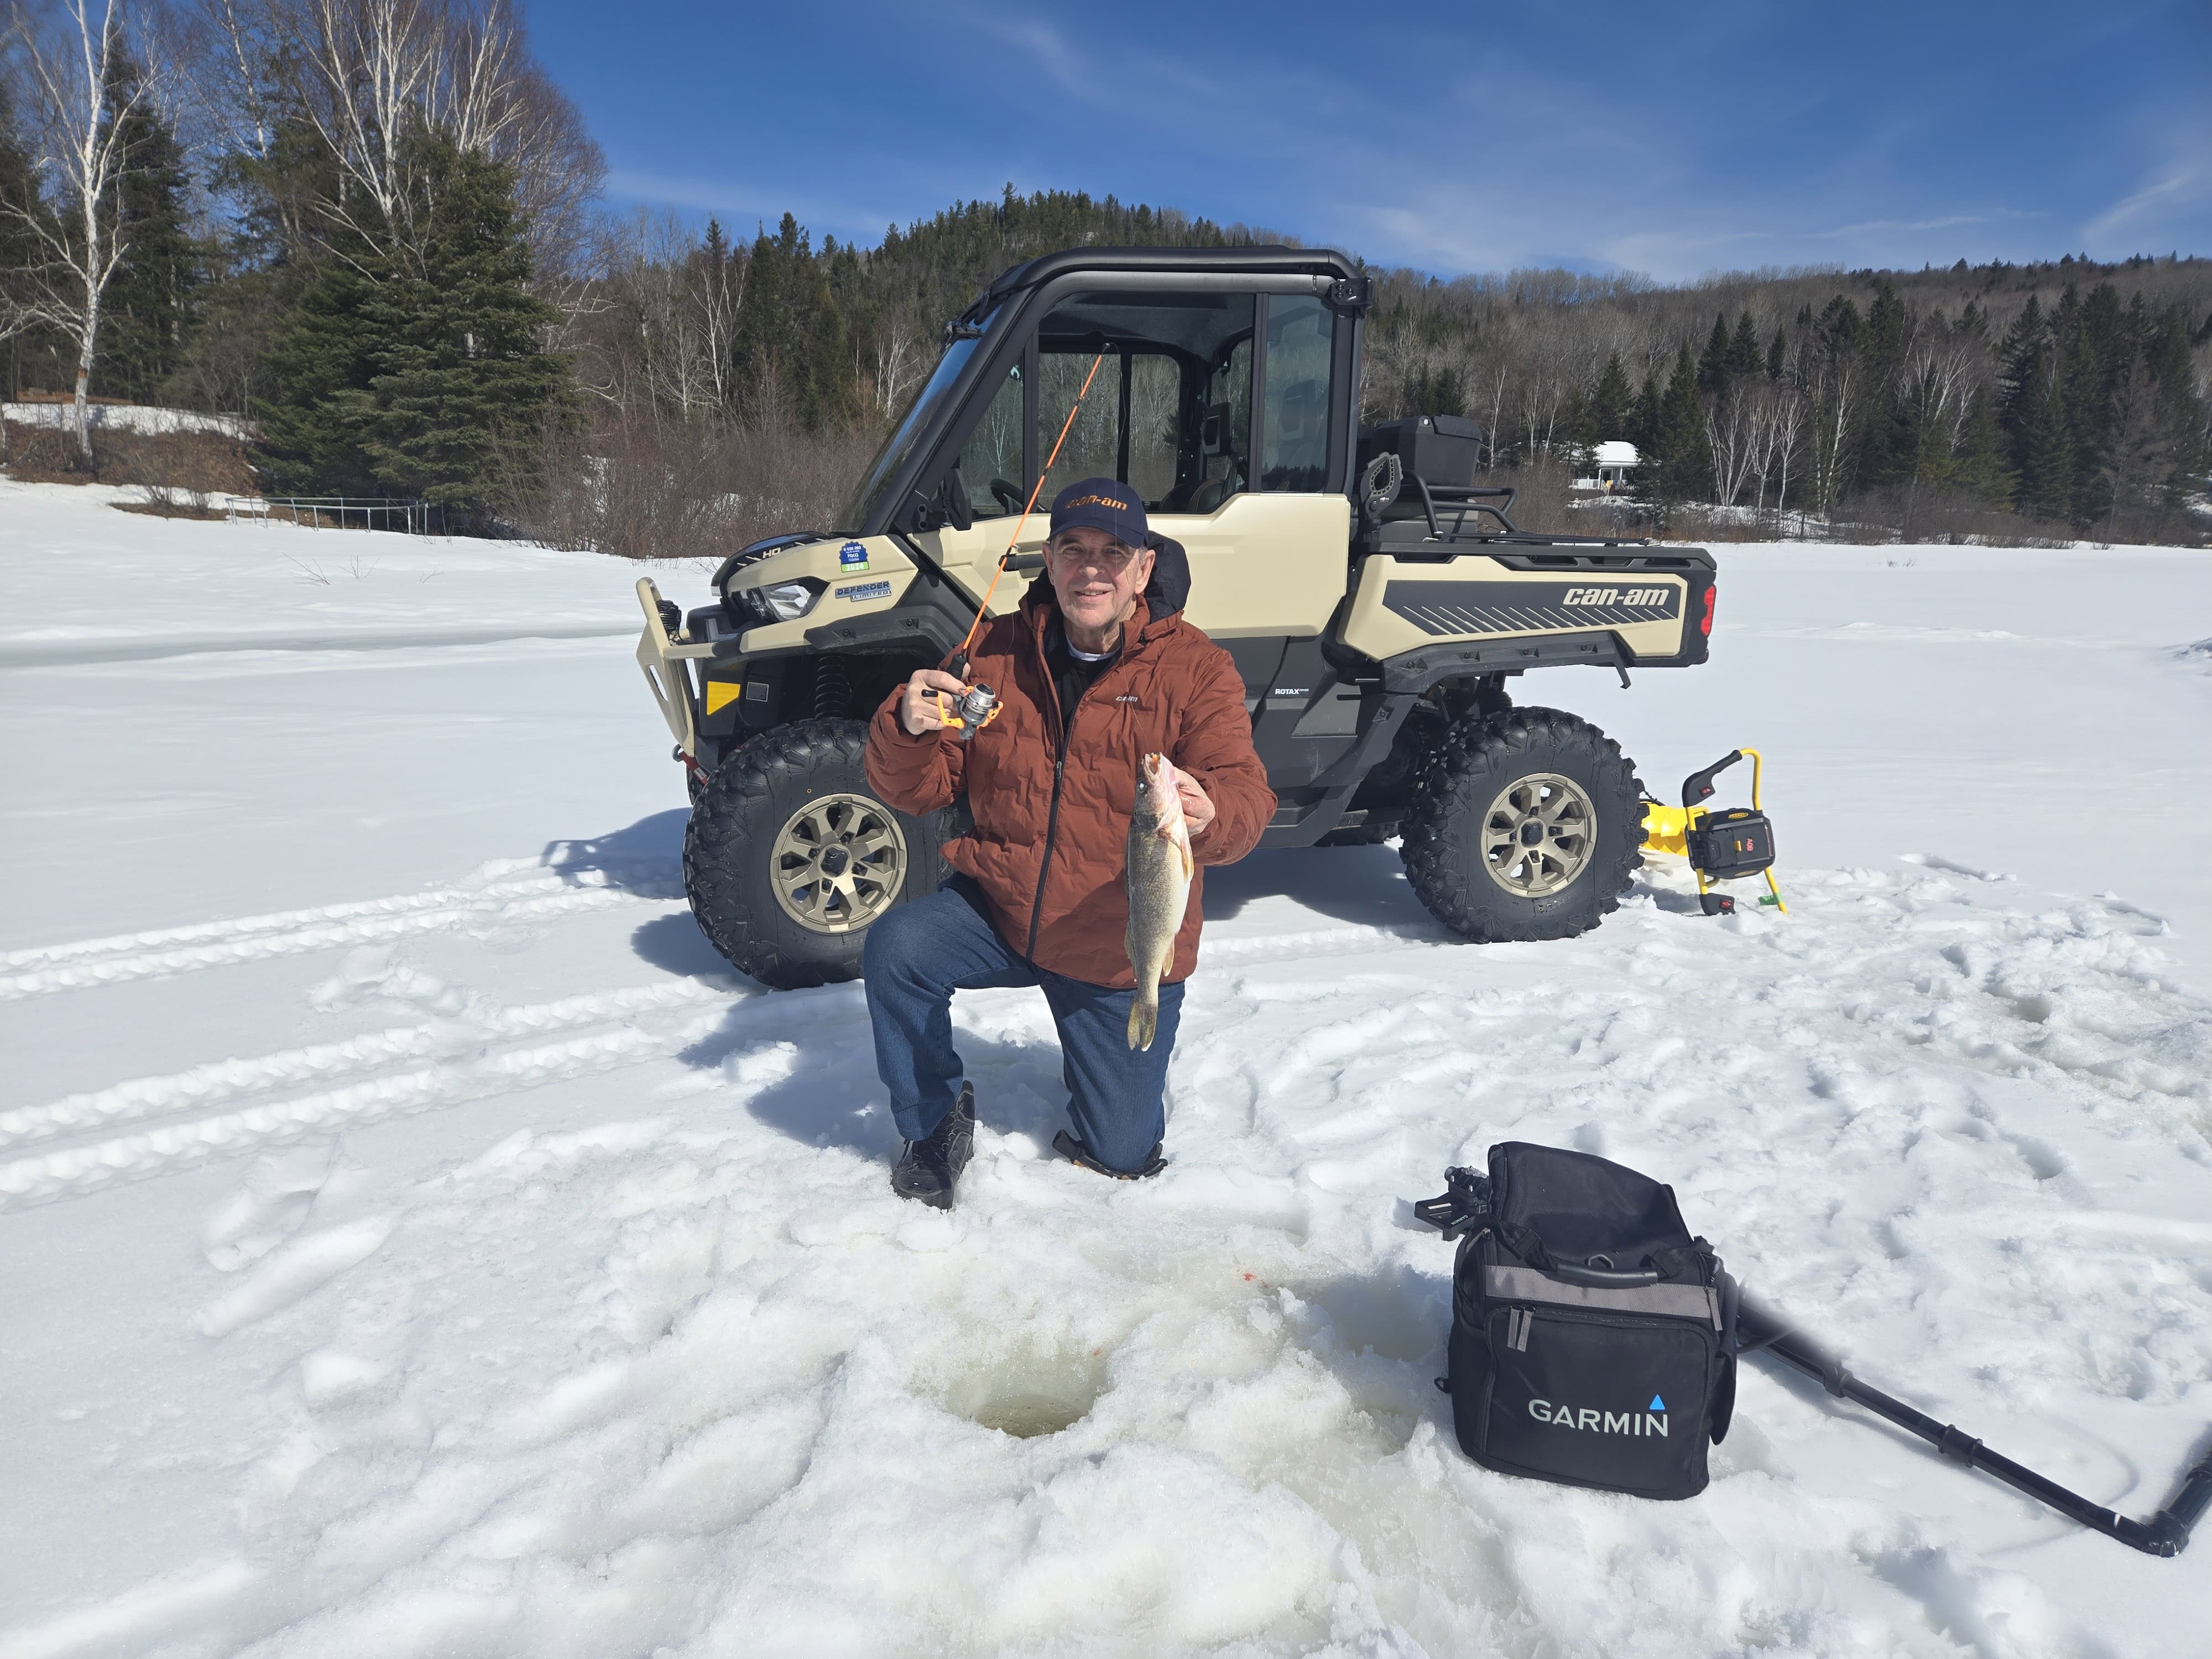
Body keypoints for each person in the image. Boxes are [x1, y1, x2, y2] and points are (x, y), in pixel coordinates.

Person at [861, 477, 1275, 1207]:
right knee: (899, 948)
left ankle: (1113, 1095)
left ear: (1143, 569)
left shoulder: (1198, 669)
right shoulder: (990, 654)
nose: (1092, 570)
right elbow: (920, 790)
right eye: (1074, 549)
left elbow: (1247, 793)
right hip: (1003, 909)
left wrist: (1213, 814)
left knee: (1122, 1152)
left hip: (1114, 947)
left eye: (1114, 553)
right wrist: (906, 729)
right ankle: (932, 1122)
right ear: (1049, 562)